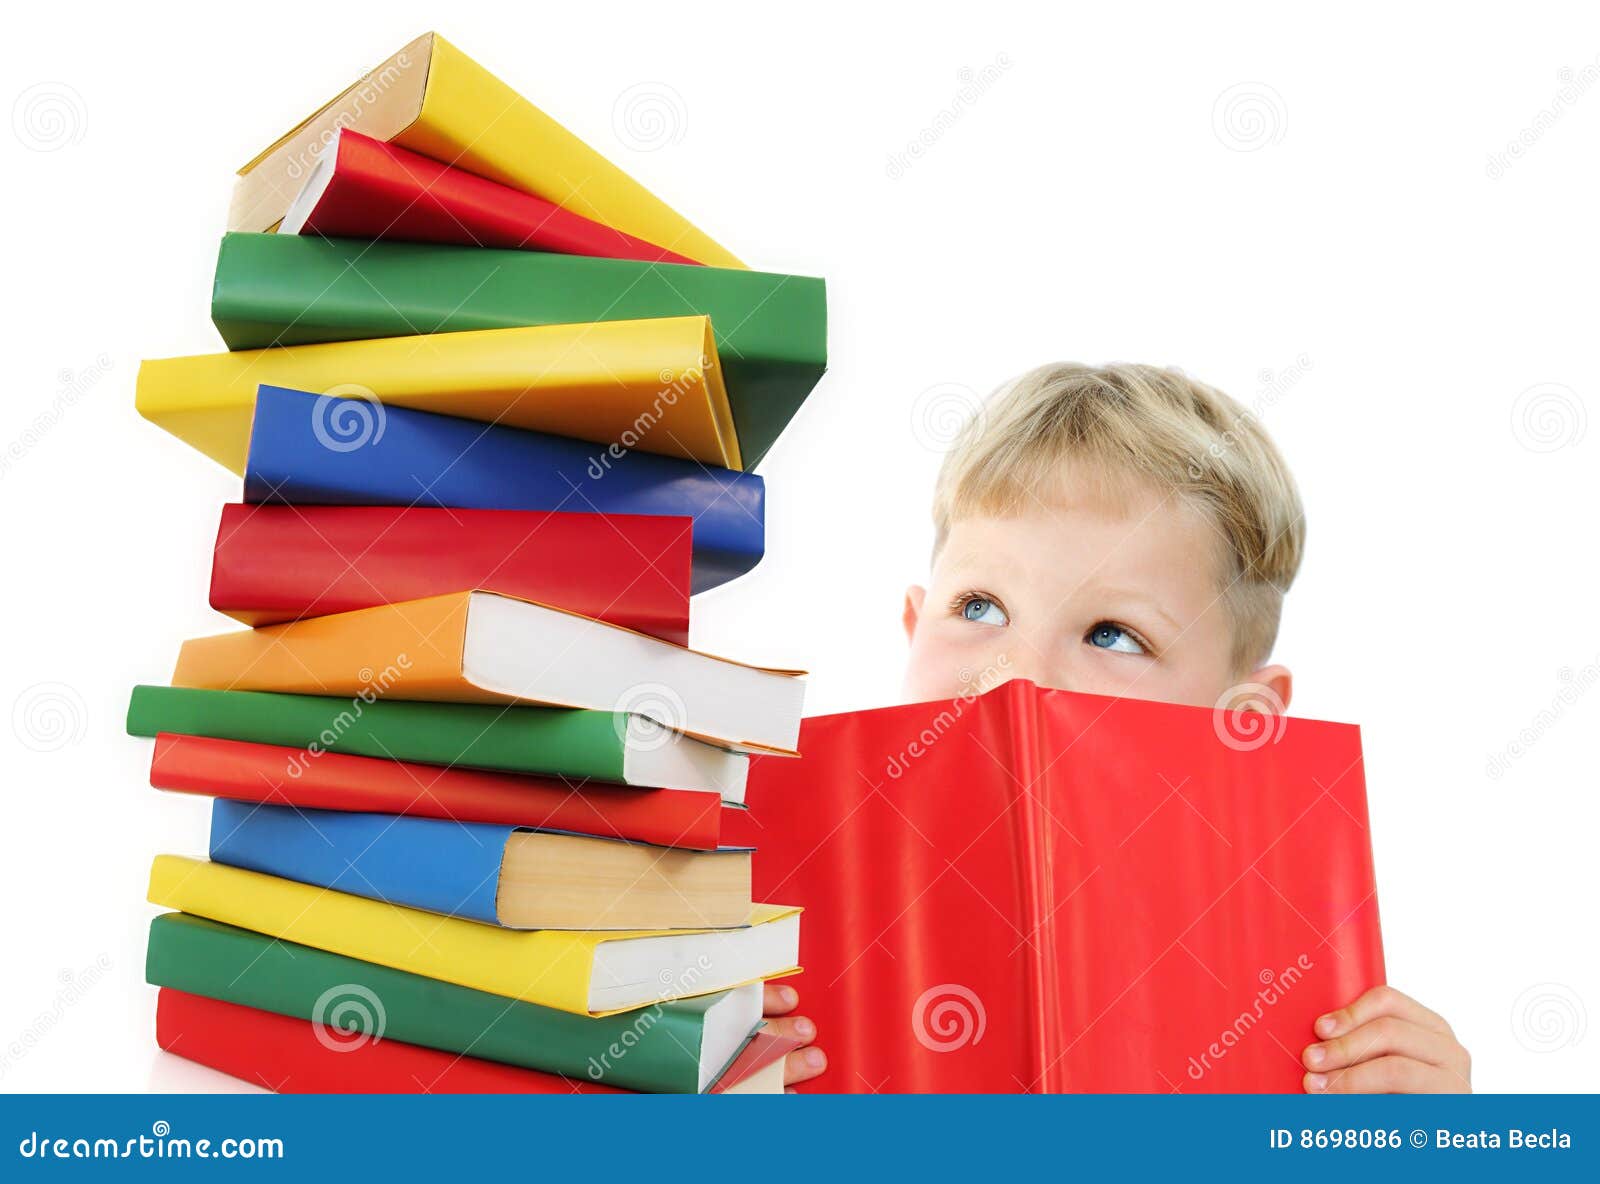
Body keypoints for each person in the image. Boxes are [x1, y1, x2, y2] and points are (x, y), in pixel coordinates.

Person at [765, 362, 1471, 1093]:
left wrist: (1415, 1144)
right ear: (914, 627)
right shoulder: (758, 940)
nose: (1021, 678)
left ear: (1246, 722)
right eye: (978, 607)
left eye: (1113, 635)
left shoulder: (1316, 1023)